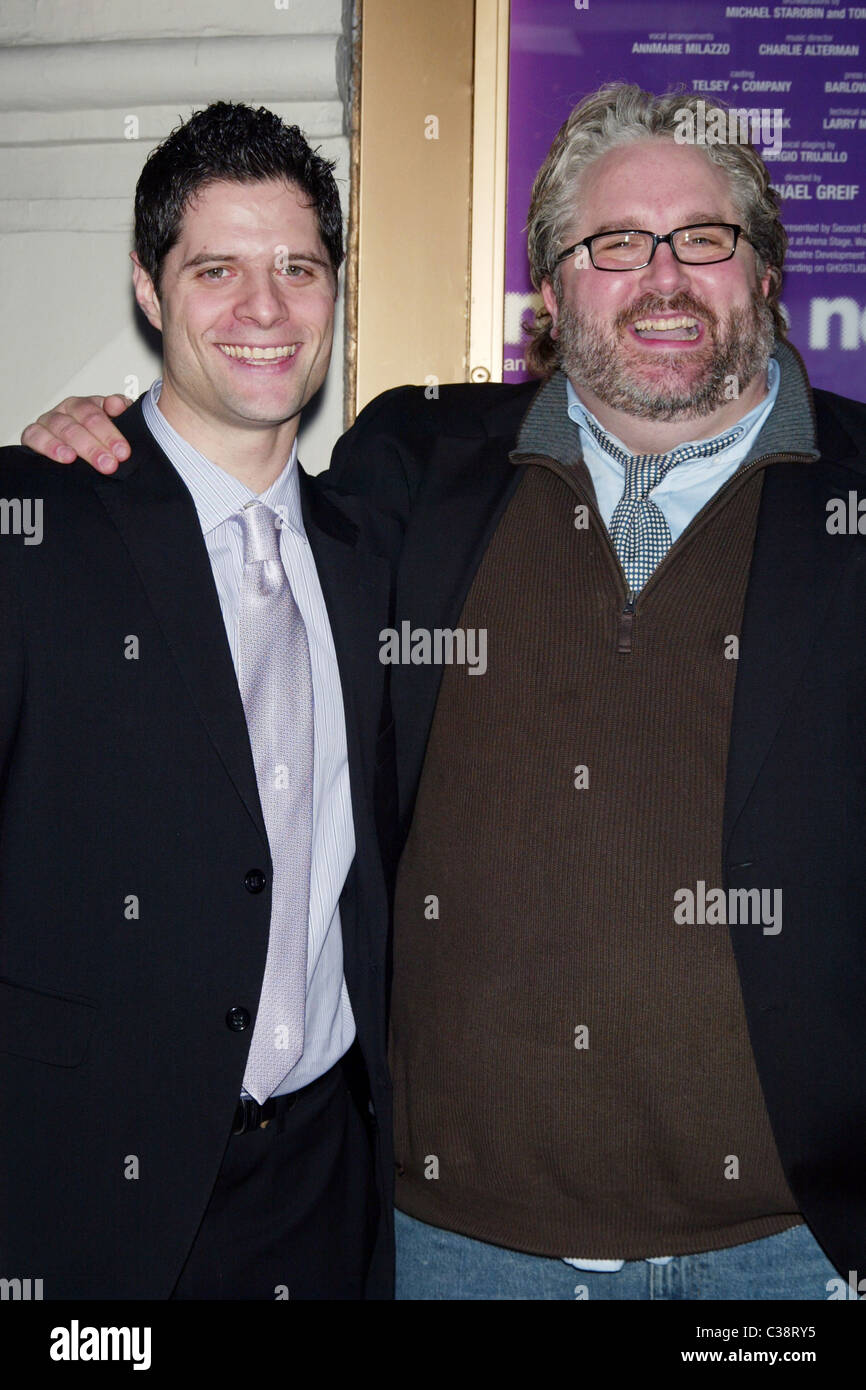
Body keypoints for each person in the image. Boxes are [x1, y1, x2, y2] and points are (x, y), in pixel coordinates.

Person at [21, 83, 866, 1301]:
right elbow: (216, 479)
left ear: (766, 270)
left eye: (703, 238)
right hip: (454, 1250)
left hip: (787, 1255)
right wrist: (102, 442)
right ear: (551, 288)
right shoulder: (416, 470)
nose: (661, 278)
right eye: (613, 245)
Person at [1, 101, 400, 1300]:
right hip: (77, 1199)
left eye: (298, 268)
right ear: (148, 285)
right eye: (216, 268)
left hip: (321, 1193)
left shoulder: (377, 552)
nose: (264, 310)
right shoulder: (31, 525)